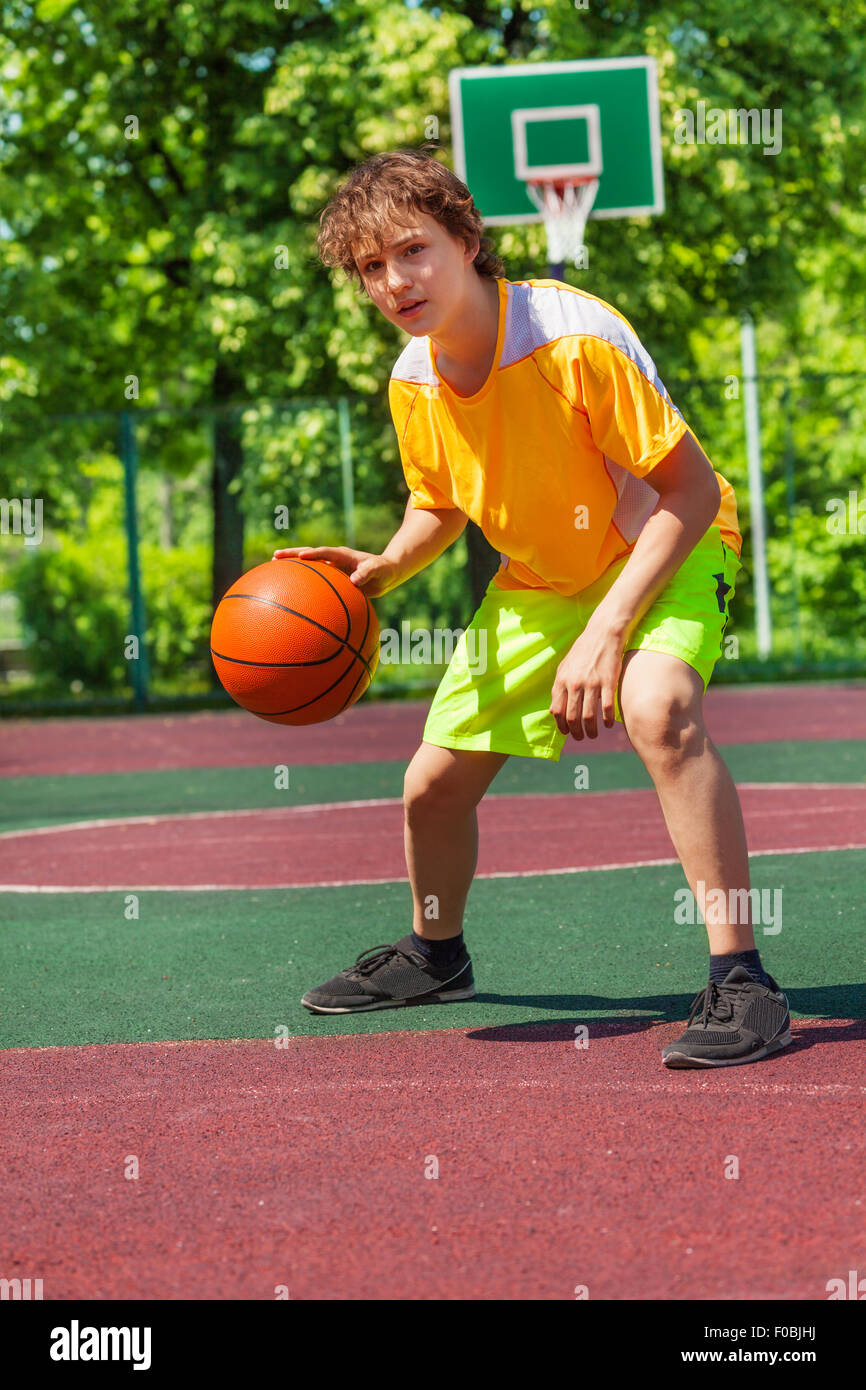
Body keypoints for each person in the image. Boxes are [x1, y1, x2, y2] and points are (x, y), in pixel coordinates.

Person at [275, 149, 790, 1069]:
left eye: (412, 251)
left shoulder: (572, 338)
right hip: (543, 577)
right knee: (430, 787)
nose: (394, 281)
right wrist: (385, 566)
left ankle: (743, 979)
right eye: (370, 267)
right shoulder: (414, 380)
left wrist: (608, 631)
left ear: (468, 239)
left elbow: (692, 493)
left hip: (662, 547)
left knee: (658, 708)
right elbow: (440, 501)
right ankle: (437, 953)